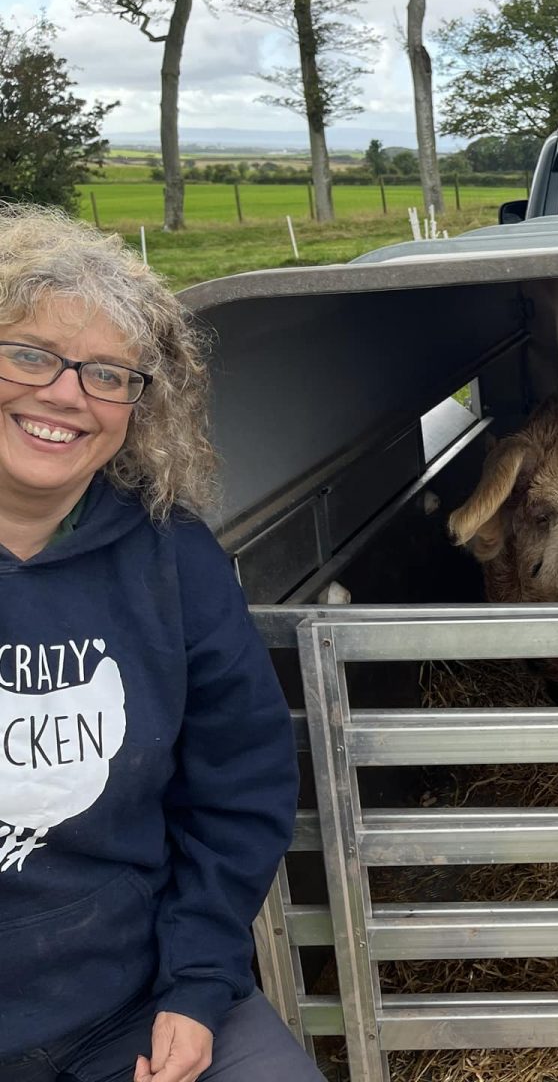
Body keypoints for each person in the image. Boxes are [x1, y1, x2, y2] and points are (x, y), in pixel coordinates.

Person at [0, 205, 322, 1082]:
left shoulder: (172, 561)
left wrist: (196, 984)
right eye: (29, 354)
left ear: (141, 410)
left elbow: (239, 788)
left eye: (108, 375)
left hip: (130, 1008)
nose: (66, 393)